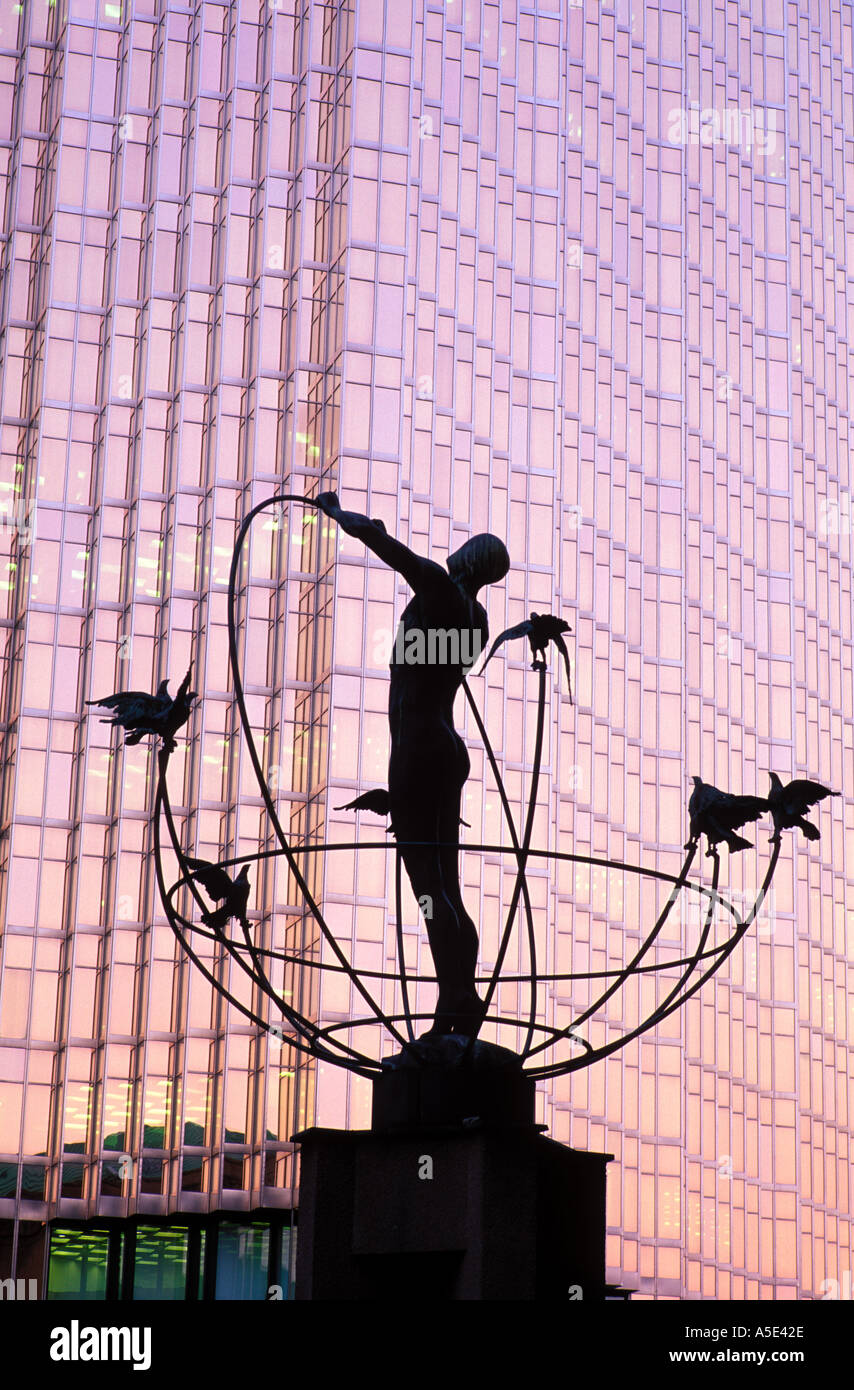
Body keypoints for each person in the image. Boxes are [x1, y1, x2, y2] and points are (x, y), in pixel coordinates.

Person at [314, 491, 510, 1036]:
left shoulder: (446, 594)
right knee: (444, 883)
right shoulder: (477, 618)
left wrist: (336, 514)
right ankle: (460, 994)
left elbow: (387, 547)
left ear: (472, 561)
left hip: (420, 747)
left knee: (428, 884)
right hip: (444, 748)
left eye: (469, 546)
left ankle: (456, 997)